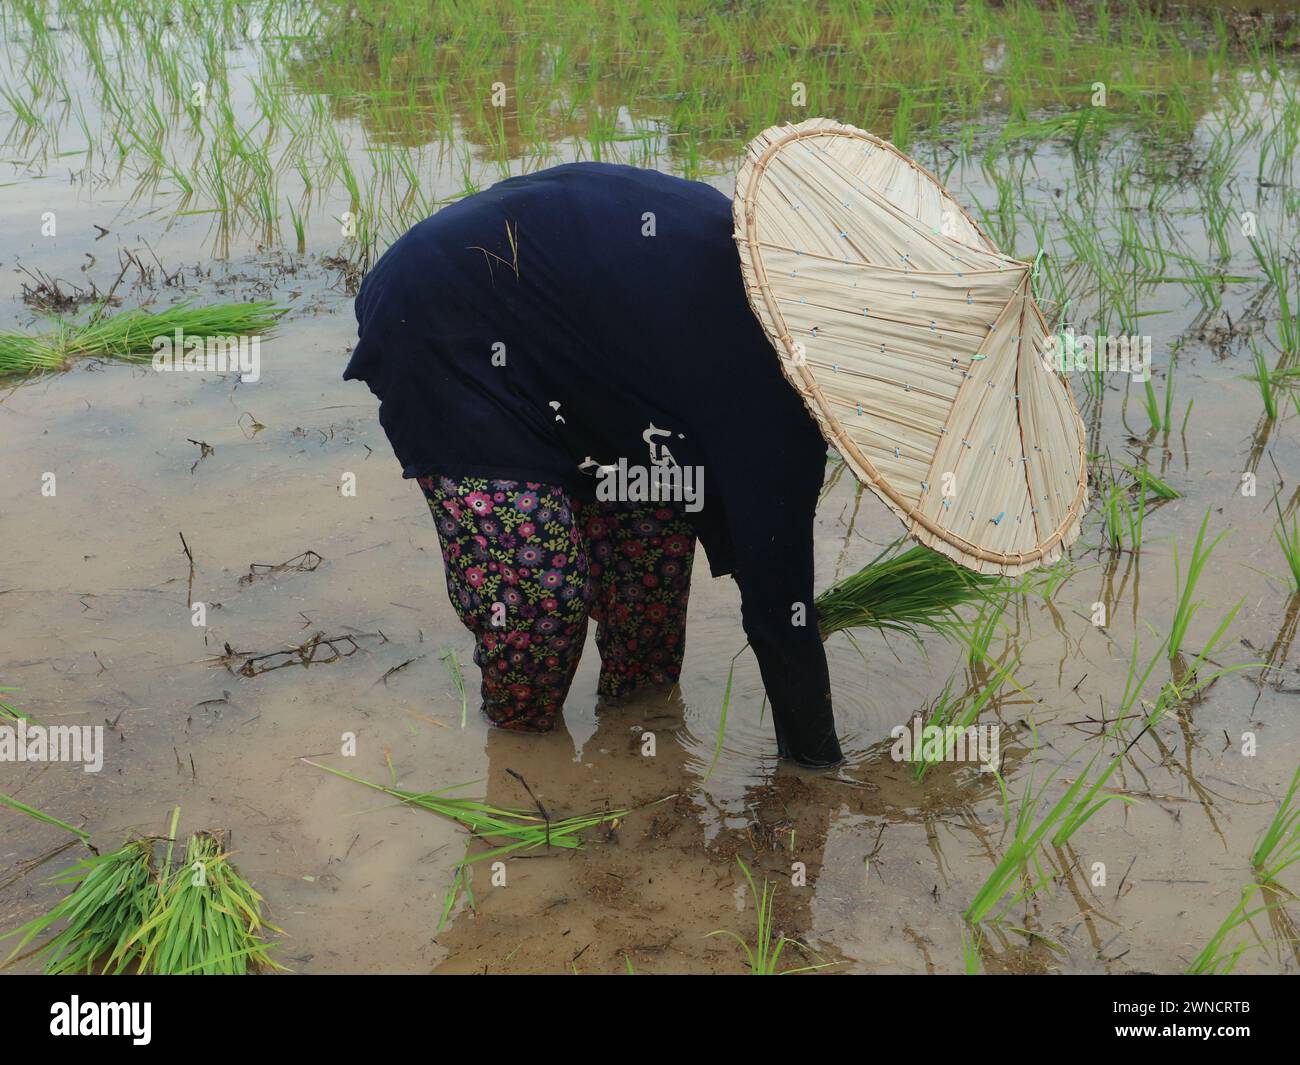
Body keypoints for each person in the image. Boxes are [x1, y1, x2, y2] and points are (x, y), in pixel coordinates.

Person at [344, 161, 843, 768]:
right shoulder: (774, 379)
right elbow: (779, 606)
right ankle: (525, 769)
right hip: (447, 319)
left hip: (595, 365)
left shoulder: (777, 320)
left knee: (648, 600)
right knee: (539, 603)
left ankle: (633, 771)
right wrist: (817, 769)